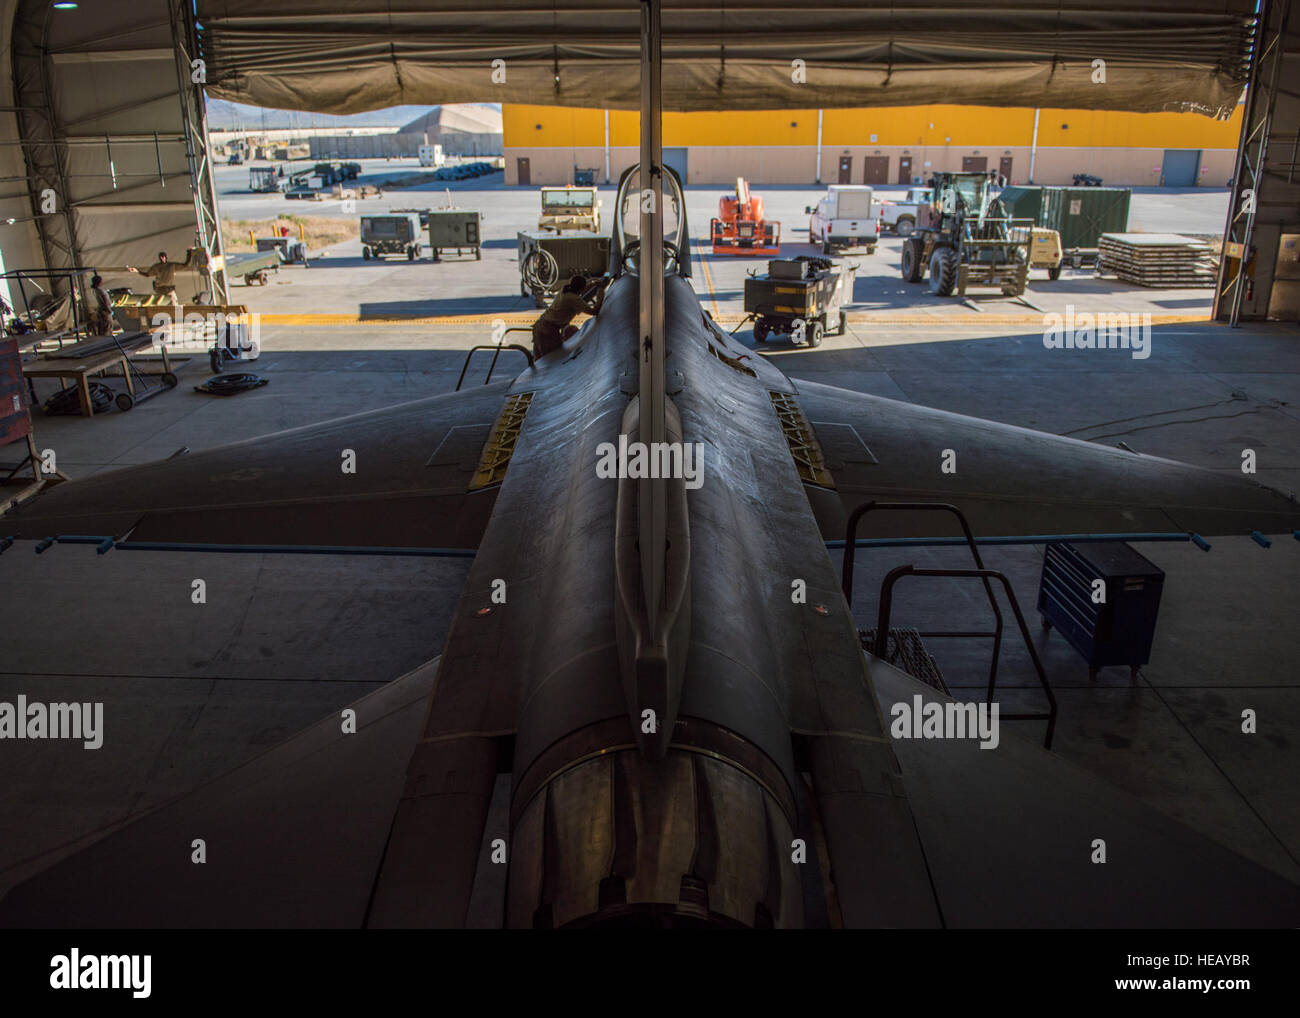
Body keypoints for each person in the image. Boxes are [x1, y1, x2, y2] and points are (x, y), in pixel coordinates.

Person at [532, 275, 605, 358]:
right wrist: (601, 295)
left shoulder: (565, 289)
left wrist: (593, 284)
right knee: (551, 359)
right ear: (580, 288)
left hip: (540, 326)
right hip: (547, 332)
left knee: (540, 360)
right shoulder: (573, 299)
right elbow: (594, 311)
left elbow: (581, 291)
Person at [128, 249, 195, 302]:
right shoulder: (156, 267)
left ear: (166, 257)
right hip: (160, 289)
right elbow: (147, 274)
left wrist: (189, 254)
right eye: (161, 257)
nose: (162, 258)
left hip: (168, 289)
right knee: (163, 303)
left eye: (163, 257)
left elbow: (186, 265)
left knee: (173, 302)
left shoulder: (171, 266)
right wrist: (137, 271)